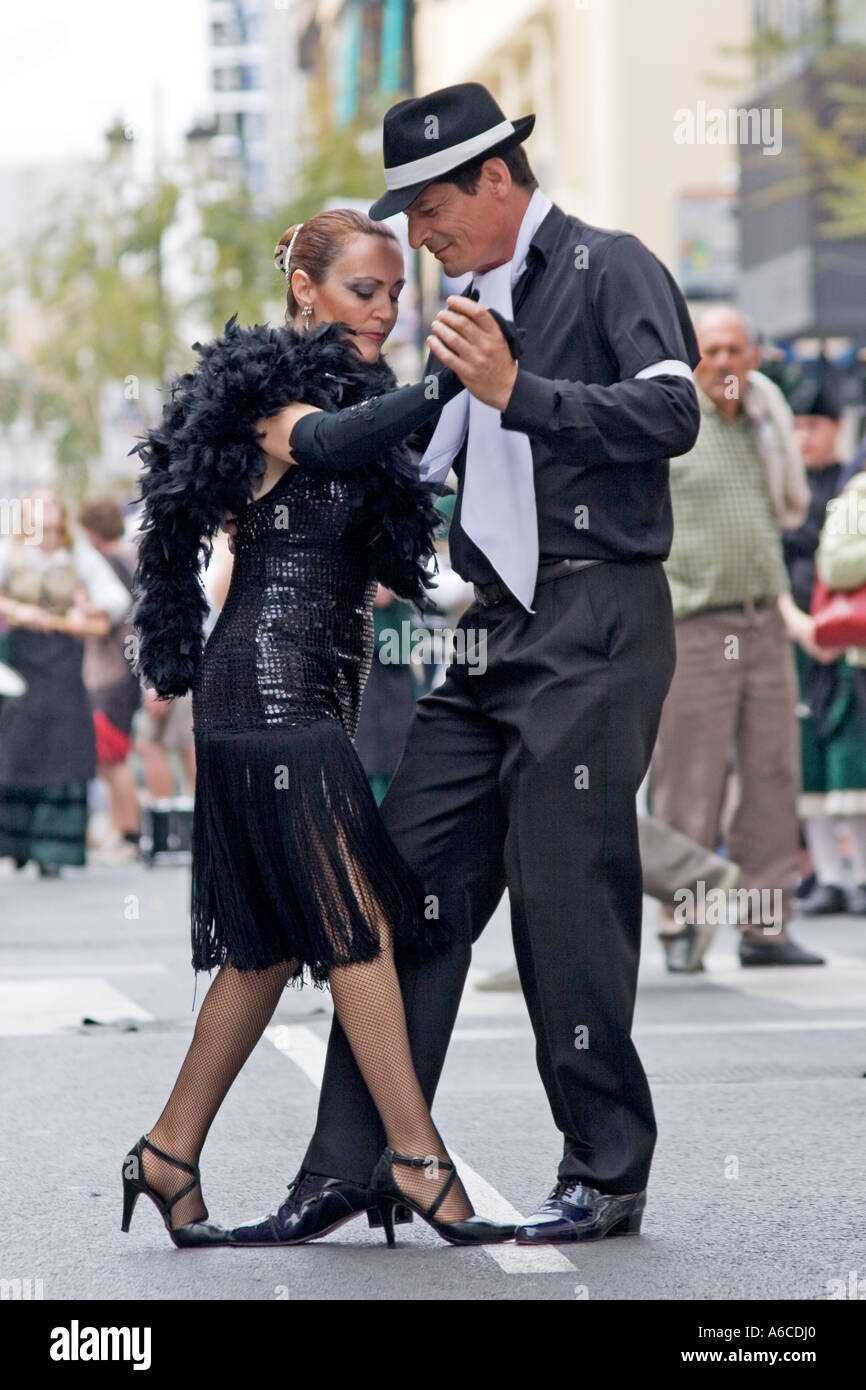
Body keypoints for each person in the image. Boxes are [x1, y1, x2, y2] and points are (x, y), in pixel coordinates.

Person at [233, 81, 704, 1249]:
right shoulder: (459, 304)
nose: (417, 232)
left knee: (564, 902)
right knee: (401, 896)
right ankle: (356, 1167)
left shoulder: (611, 265)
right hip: (488, 629)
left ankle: (604, 1170)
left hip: (592, 616)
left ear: (496, 177)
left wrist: (518, 391)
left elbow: (674, 413)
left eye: (431, 206)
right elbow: (422, 466)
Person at [122, 208, 518, 1249]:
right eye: (363, 291)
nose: (386, 309)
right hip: (262, 694)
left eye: (396, 293)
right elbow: (331, 443)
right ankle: (418, 1160)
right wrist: (444, 379)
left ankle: (167, 1151)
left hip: (315, 696)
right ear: (304, 291)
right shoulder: (260, 397)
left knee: (261, 951)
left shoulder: (370, 400)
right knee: (355, 926)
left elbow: (396, 541)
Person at [649, 308, 825, 968]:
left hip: (764, 621)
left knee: (773, 780)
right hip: (695, 626)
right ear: (696, 360)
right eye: (711, 351)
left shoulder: (765, 421)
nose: (723, 362)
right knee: (690, 784)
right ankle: (681, 927)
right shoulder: (674, 422)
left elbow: (784, 512)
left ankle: (766, 930)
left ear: (753, 357)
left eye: (734, 350)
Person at [0, 491, 131, 877]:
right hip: (23, 660)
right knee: (21, 745)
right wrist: (15, 608)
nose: (44, 512)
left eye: (51, 505)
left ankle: (54, 849)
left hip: (63, 660)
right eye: (37, 506)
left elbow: (116, 599)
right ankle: (20, 843)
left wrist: (87, 609)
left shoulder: (78, 556)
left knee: (63, 745)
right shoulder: (13, 552)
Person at [781, 365, 866, 915]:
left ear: (837, 428)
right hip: (793, 637)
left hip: (848, 639)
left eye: (816, 424)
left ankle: (857, 872)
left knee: (850, 756)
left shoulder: (849, 484)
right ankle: (829, 874)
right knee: (804, 760)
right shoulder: (779, 488)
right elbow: (763, 564)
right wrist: (801, 627)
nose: (804, 436)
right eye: (798, 424)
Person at [77, 496, 142, 864]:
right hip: (124, 670)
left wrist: (83, 610)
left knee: (114, 756)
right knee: (112, 755)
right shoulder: (130, 556)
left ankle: (128, 832)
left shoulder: (110, 562)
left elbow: (112, 614)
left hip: (110, 671)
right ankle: (122, 829)